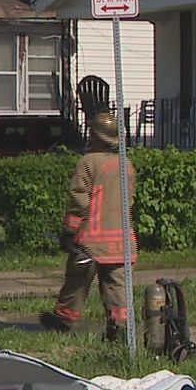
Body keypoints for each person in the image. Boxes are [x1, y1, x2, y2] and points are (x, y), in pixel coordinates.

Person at [41, 113, 136, 342]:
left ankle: (63, 320)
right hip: (121, 240)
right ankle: (119, 327)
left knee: (77, 280)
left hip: (91, 239)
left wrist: (70, 231)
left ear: (94, 136)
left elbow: (79, 199)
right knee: (116, 285)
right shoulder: (126, 164)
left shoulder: (88, 162)